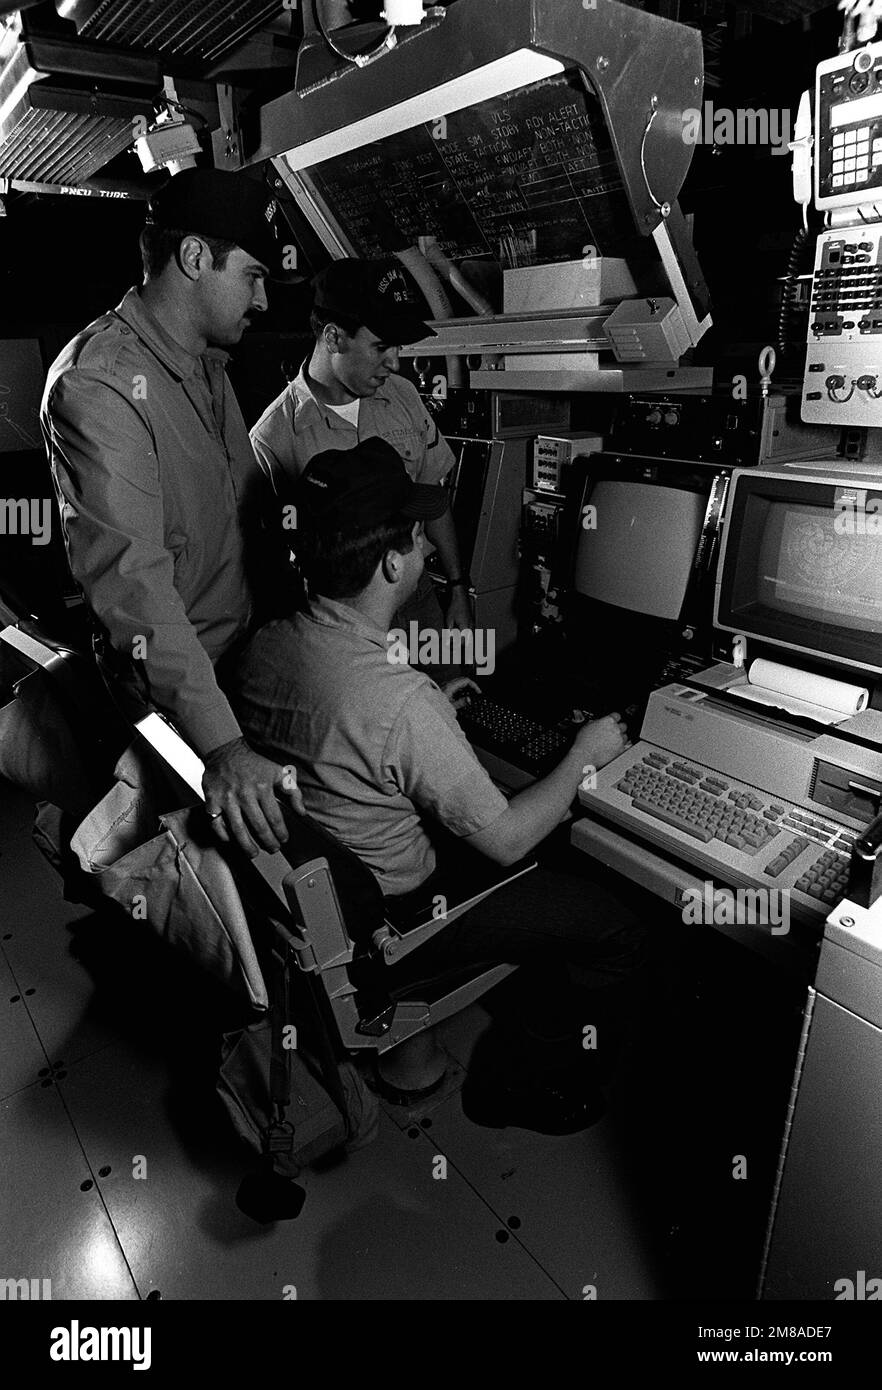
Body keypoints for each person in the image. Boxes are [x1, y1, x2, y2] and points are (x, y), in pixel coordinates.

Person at [233, 438, 650, 1132]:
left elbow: (348, 722)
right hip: (404, 914)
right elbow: (510, 842)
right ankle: (516, 1082)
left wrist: (427, 708)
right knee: (619, 928)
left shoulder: (267, 645)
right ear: (393, 562)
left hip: (333, 894)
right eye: (419, 538)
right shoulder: (398, 703)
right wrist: (585, 750)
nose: (429, 548)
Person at [41, 168, 303, 858]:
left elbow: (253, 518)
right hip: (179, 693)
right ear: (194, 259)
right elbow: (136, 591)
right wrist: (223, 744)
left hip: (241, 657)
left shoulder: (208, 366)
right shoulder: (98, 384)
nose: (263, 299)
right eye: (251, 276)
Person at [249, 258, 474, 648]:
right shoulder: (274, 437)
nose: (395, 362)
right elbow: (274, 560)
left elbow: (432, 497)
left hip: (419, 604)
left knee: (444, 700)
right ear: (334, 338)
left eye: (398, 347)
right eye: (381, 347)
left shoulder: (403, 395)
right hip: (342, 627)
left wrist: (457, 588)